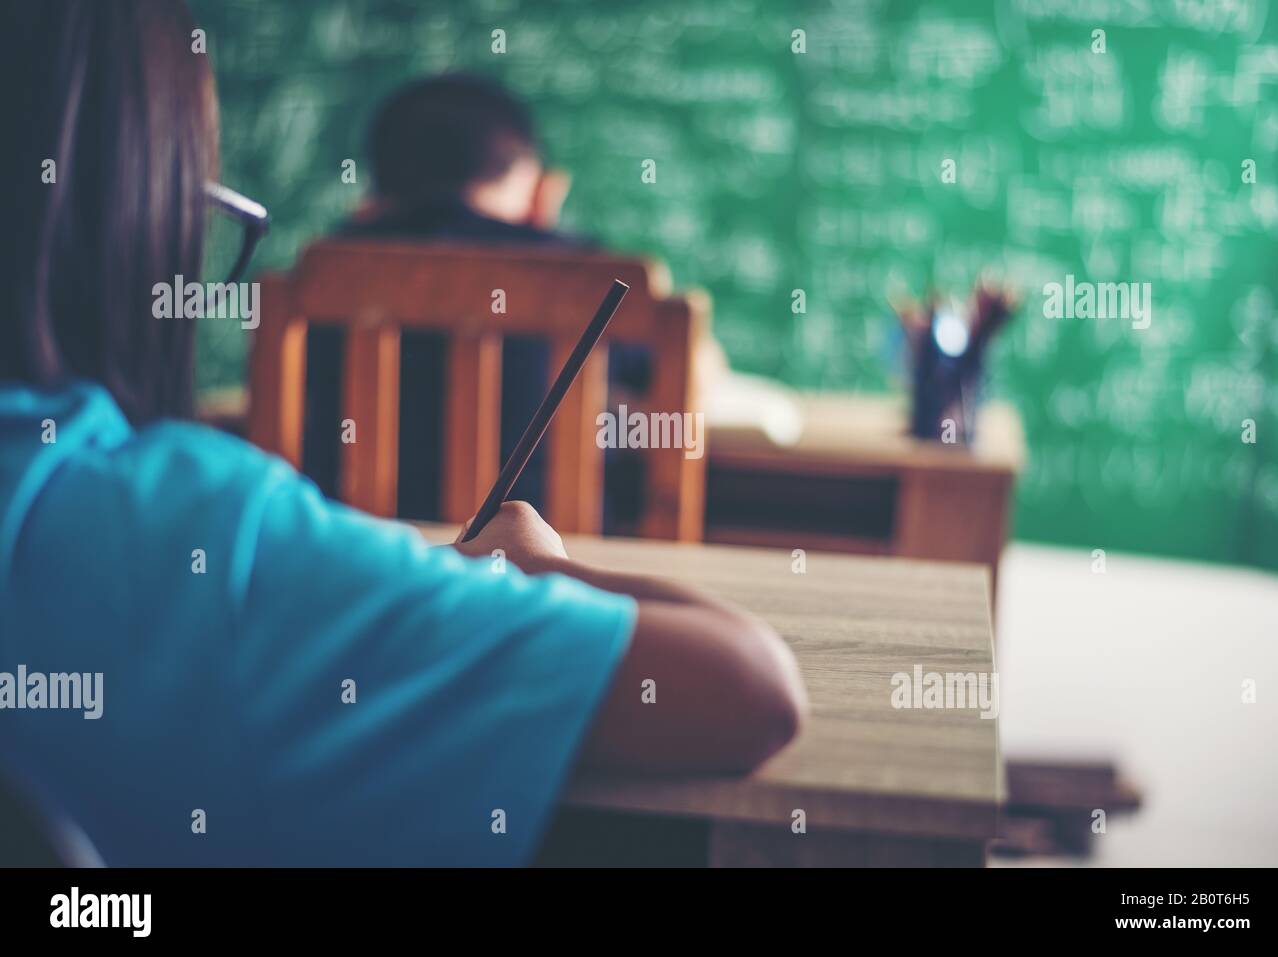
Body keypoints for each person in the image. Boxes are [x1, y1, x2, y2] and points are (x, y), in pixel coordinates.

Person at [0, 0, 805, 866]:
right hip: (448, 648)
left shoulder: (319, 280)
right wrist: (536, 567)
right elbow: (749, 690)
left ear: (371, 195)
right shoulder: (197, 550)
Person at [304, 73, 649, 525]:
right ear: (533, 182)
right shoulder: (583, 272)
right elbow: (674, 375)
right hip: (547, 568)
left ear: (374, 191)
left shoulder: (326, 270)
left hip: (363, 561)